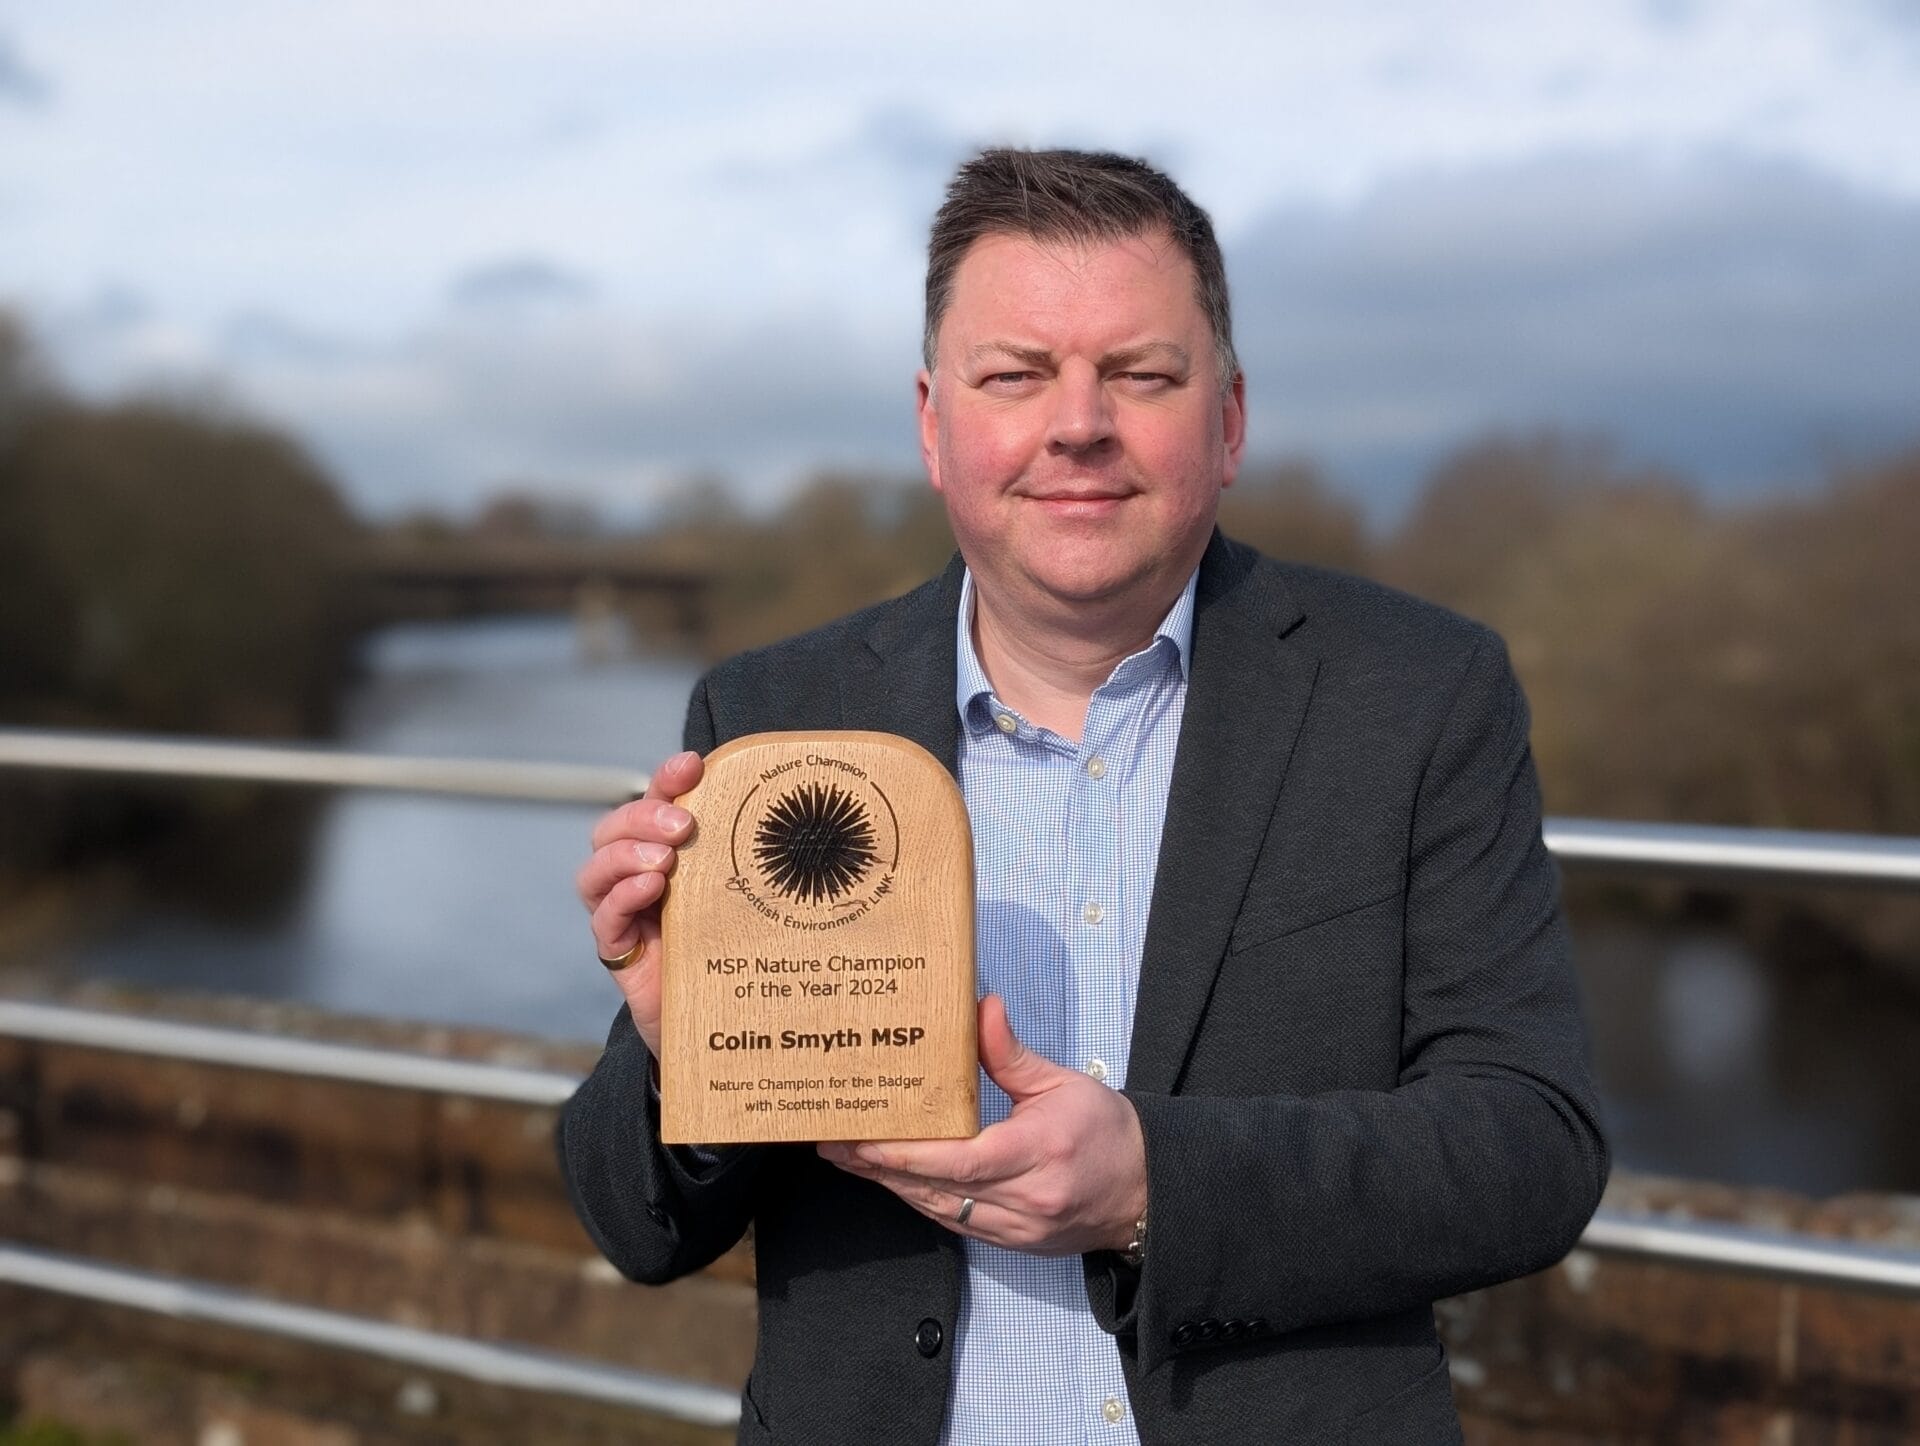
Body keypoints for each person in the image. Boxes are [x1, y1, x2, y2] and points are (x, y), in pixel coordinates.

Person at [560, 147, 1608, 1445]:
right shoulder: (775, 719)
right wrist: (682, 1049)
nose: (1078, 424)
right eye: (1016, 375)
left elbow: (1532, 1144)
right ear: (933, 423)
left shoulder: (1419, 693)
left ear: (1226, 421)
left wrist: (1154, 1184)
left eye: (1139, 373)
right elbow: (636, 1226)